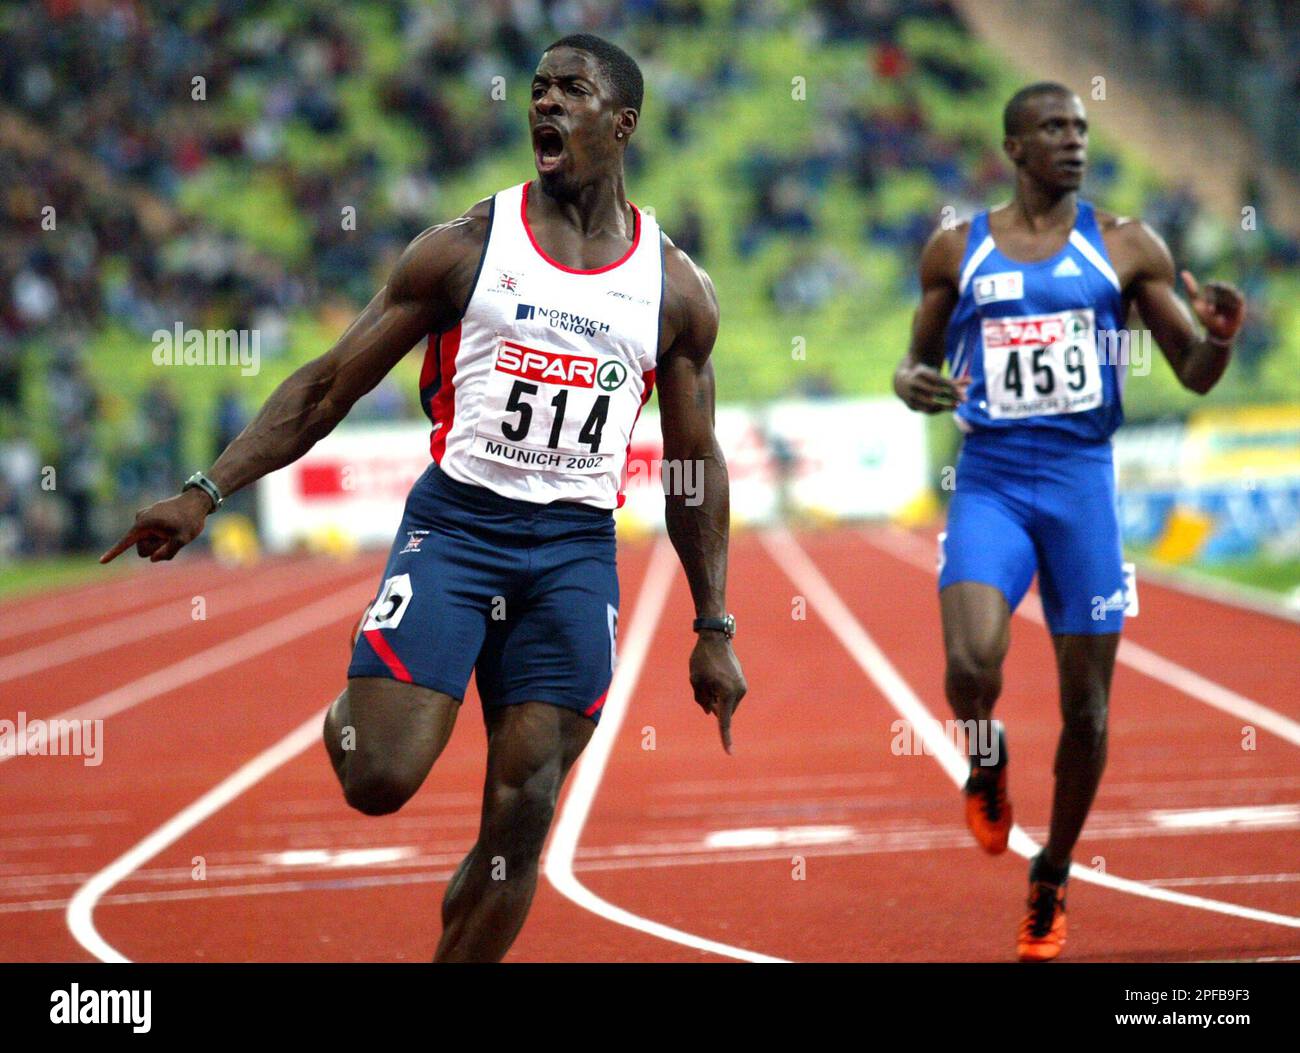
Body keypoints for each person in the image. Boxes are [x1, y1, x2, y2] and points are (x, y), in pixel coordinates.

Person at [101, 34, 747, 963]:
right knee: (379, 775)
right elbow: (329, 387)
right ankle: (350, 709)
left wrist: (713, 624)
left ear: (624, 123)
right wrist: (208, 491)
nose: (546, 105)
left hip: (572, 550)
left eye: (572, 91)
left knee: (522, 814)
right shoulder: (467, 249)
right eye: (537, 89)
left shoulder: (675, 290)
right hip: (459, 527)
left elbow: (698, 465)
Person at [893, 82, 1244, 961]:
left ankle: (1049, 874)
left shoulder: (1127, 246)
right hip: (993, 483)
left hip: (1083, 488)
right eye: (1054, 129)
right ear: (1015, 148)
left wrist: (1223, 337)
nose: (1073, 142)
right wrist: (911, 386)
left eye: (1081, 128)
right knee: (971, 666)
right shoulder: (956, 251)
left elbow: (1194, 371)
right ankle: (986, 754)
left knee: (1086, 710)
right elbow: (914, 365)